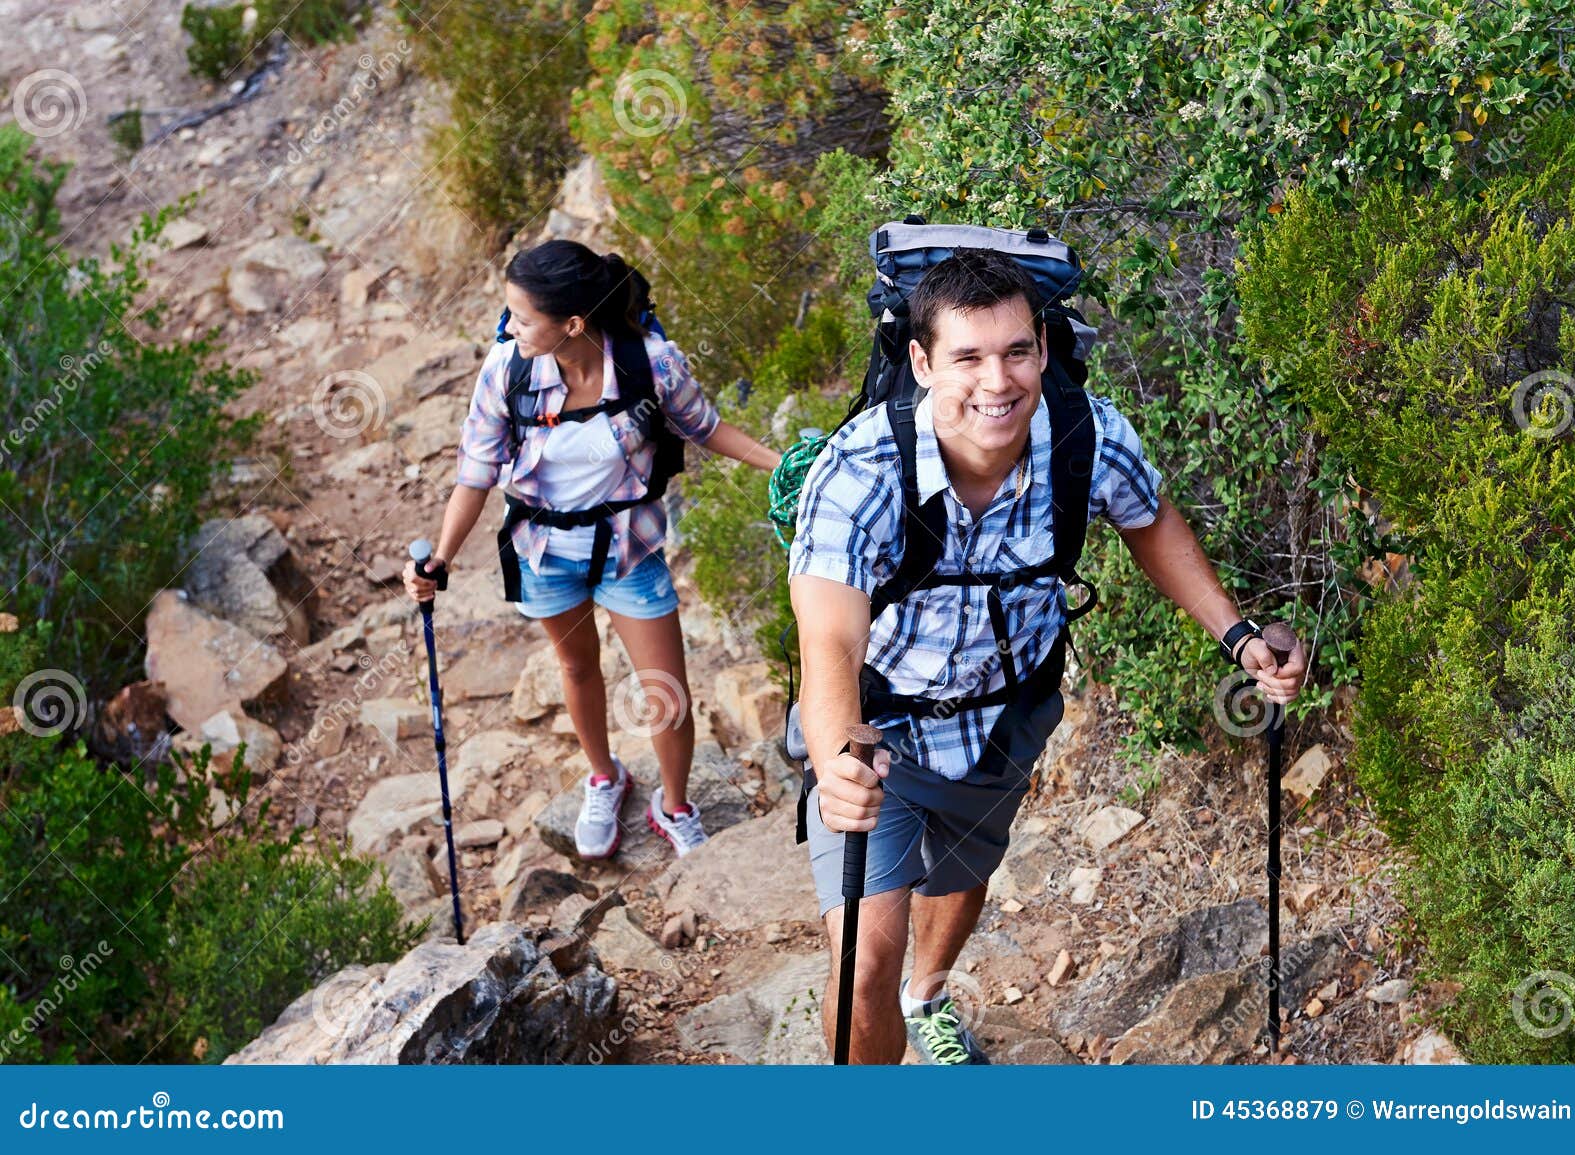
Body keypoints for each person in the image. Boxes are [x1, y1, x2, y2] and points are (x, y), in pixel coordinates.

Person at [787, 247, 1308, 1064]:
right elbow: (828, 643)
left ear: (1042, 348)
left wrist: (1237, 636)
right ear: (922, 362)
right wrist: (834, 760)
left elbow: (1150, 520)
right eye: (967, 357)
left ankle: (929, 996)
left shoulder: (1085, 435)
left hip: (1005, 720)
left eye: (1017, 351)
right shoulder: (859, 471)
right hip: (877, 730)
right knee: (864, 958)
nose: (998, 381)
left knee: (959, 879)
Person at [404, 240, 780, 860]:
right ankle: (604, 776)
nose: (509, 328)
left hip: (628, 550)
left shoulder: (649, 364)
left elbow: (706, 428)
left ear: (573, 324)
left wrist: (787, 464)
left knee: (664, 688)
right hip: (543, 550)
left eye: (523, 318)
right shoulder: (507, 371)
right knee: (577, 669)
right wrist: (439, 560)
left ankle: (676, 805)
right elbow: (475, 474)